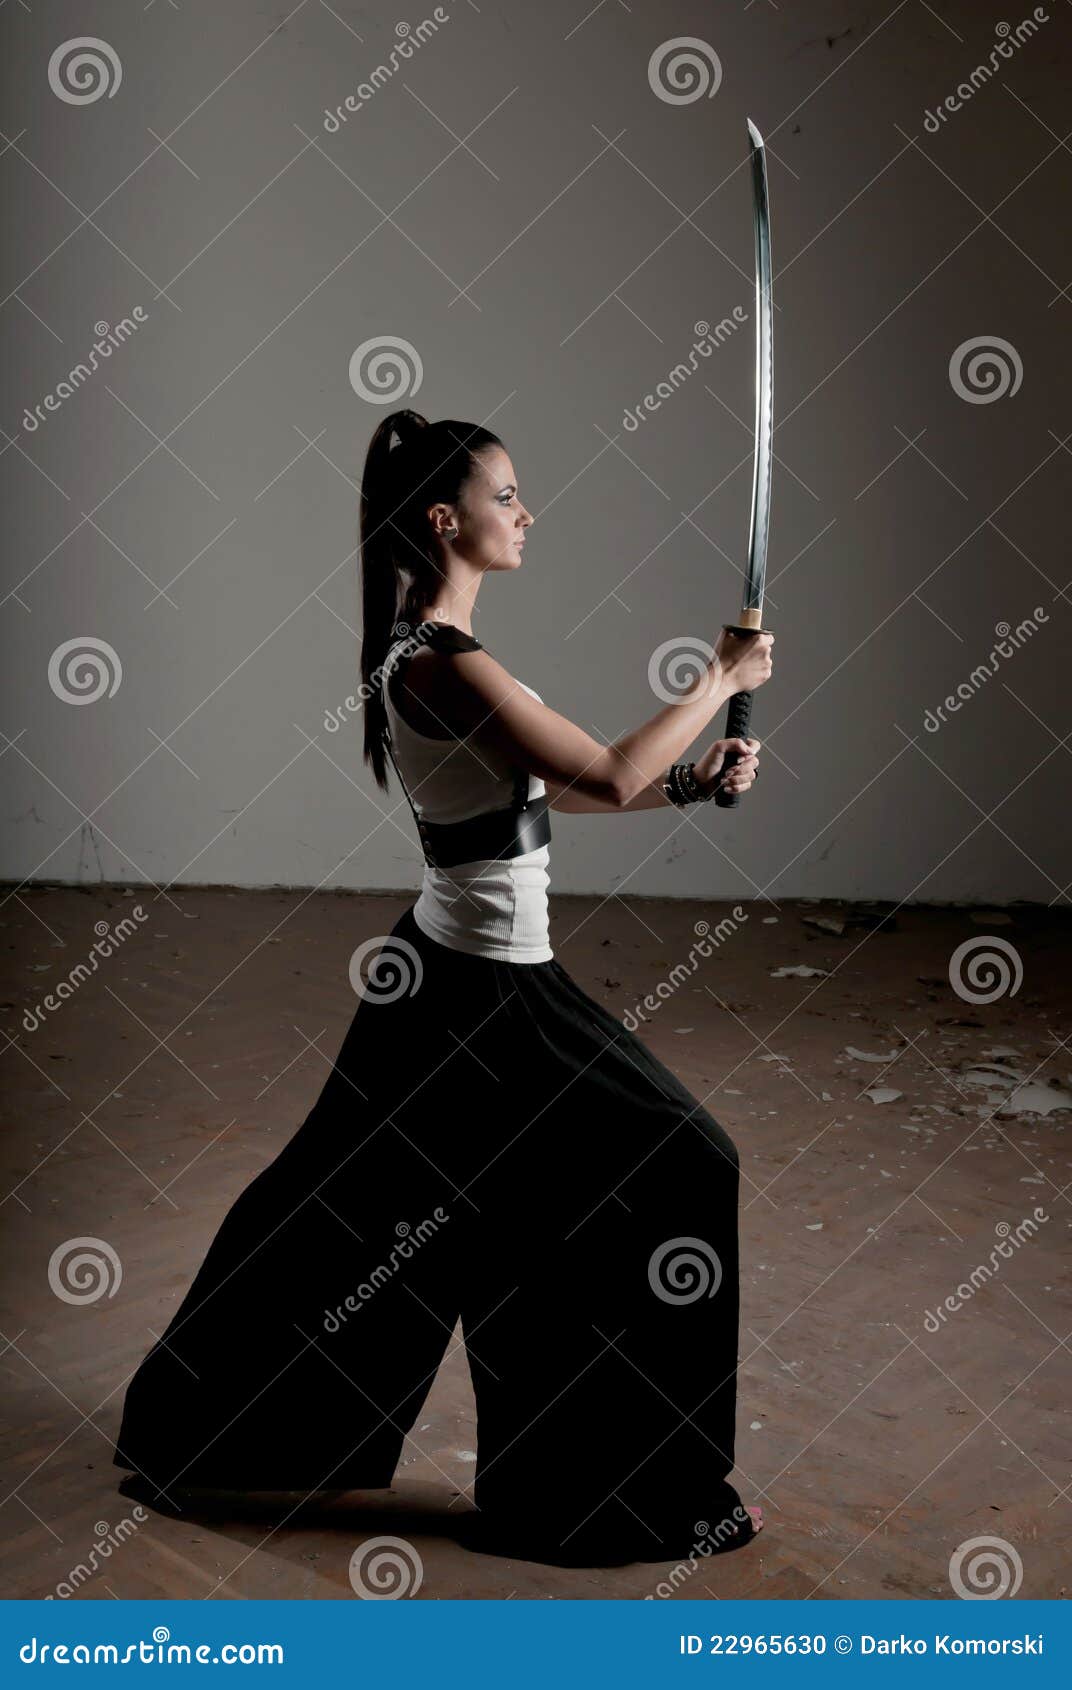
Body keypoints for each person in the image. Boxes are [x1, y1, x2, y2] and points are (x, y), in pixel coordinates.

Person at [112, 410, 774, 1570]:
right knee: (643, 1168)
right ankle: (625, 1489)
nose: (526, 514)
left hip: (473, 987)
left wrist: (688, 783)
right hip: (474, 1003)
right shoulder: (435, 660)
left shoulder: (437, 657)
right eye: (507, 495)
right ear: (444, 519)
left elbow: (554, 791)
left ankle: (607, 1482)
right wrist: (719, 677)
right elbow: (601, 772)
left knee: (471, 1216)